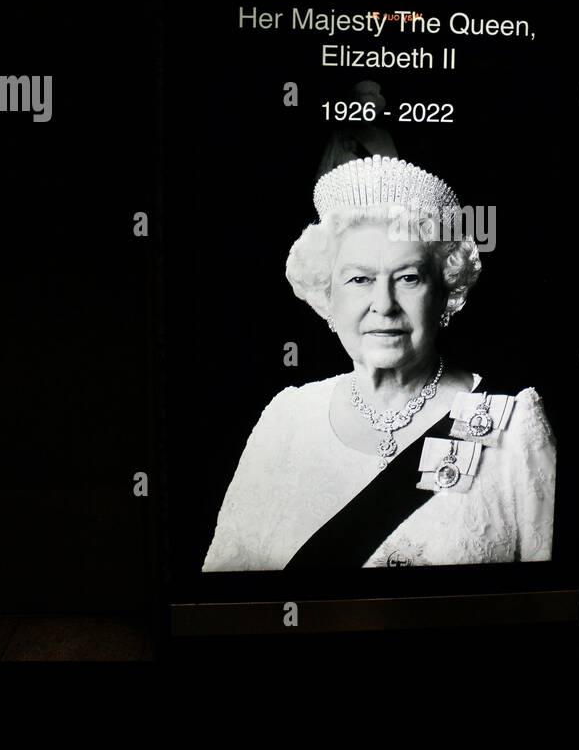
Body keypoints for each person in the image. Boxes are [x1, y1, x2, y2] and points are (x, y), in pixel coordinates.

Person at [203, 155, 556, 570]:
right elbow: (226, 595)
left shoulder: (512, 424)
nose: (384, 306)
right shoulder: (287, 417)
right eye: (359, 279)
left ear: (445, 292)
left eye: (408, 277)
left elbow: (542, 605)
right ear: (327, 297)